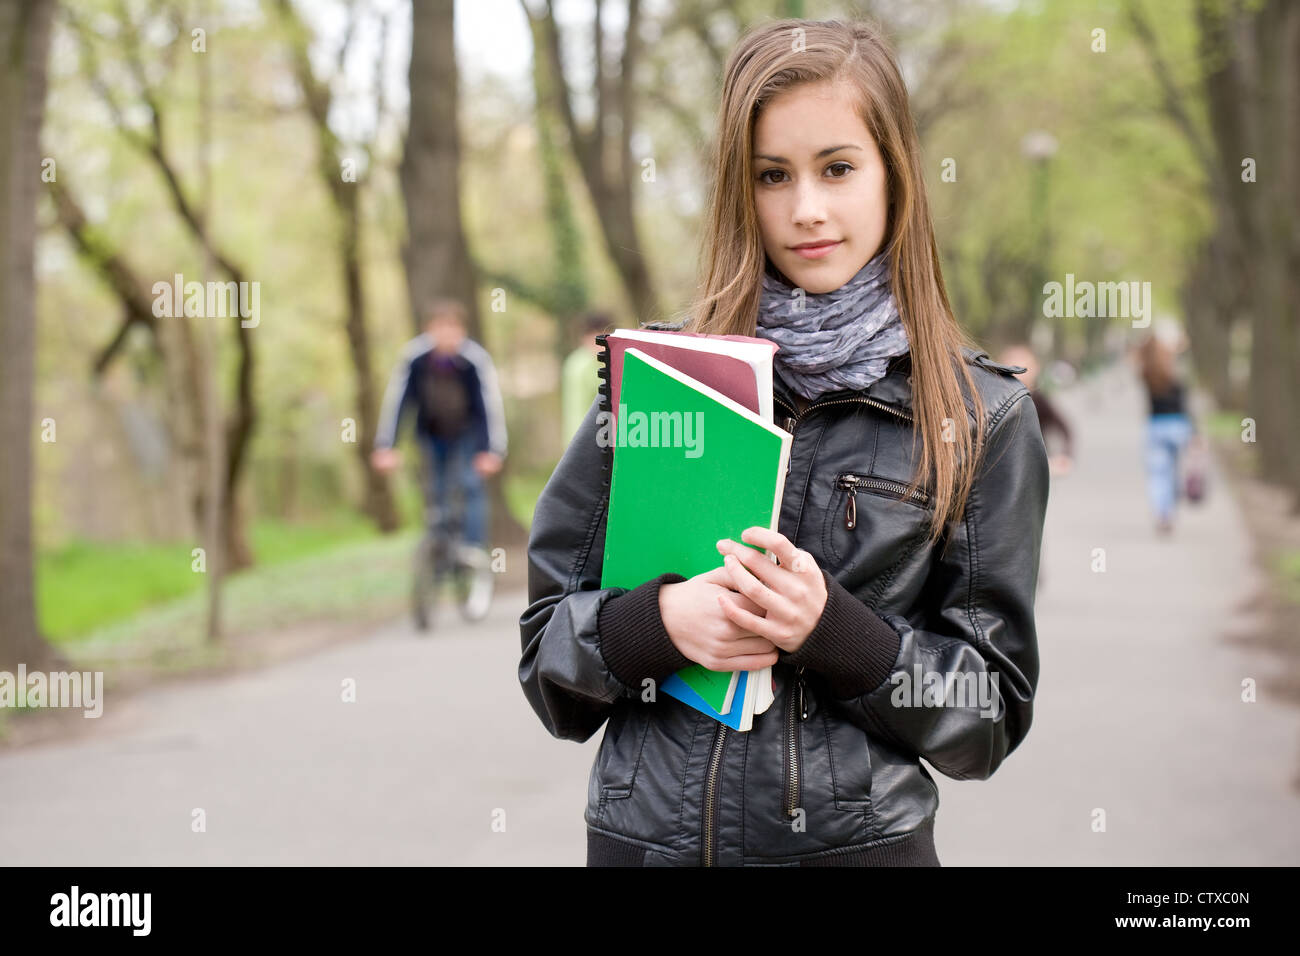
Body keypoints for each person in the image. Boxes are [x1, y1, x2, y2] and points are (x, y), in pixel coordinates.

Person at [519, 17, 1049, 867]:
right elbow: (548, 663)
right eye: (773, 176)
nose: (806, 209)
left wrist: (836, 632)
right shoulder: (658, 377)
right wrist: (655, 625)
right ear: (741, 189)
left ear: (894, 176)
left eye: (838, 168)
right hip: (641, 848)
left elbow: (987, 718)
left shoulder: (980, 416)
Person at [371, 299, 507, 573]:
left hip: (468, 432)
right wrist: (387, 445)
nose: (446, 334)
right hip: (431, 433)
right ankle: (441, 554)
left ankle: (472, 550)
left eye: (452, 328)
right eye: (439, 328)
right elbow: (398, 402)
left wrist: (493, 450)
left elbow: (489, 406)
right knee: (436, 493)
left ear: (462, 330)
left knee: (470, 485)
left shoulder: (474, 359)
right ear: (427, 330)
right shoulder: (414, 358)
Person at [1135, 331, 1195, 536]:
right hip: (1179, 426)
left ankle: (1162, 514)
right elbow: (1185, 404)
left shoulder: (1147, 371)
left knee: (1158, 474)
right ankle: (1170, 510)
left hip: (1156, 427)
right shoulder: (1173, 369)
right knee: (1174, 472)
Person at [1000, 343, 1074, 477]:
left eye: (1025, 367)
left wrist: (1065, 455)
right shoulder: (996, 398)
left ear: (1036, 369)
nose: (1020, 374)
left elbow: (1064, 428)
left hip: (1034, 466)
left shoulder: (1038, 399)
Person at [560, 311, 612, 446]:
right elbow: (576, 410)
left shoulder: (607, 361)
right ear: (586, 337)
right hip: (585, 440)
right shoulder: (579, 366)